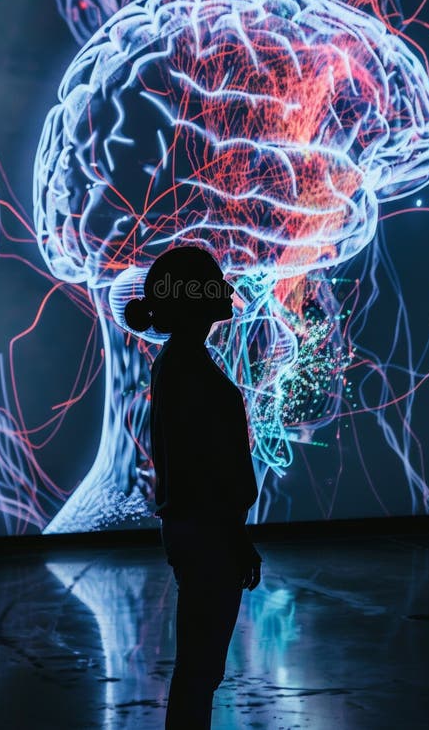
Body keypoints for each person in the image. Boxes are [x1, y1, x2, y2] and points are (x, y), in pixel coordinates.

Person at [124, 245, 262, 730]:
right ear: (193, 298)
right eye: (213, 282)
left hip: (200, 530)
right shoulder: (187, 370)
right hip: (206, 534)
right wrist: (232, 533)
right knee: (200, 669)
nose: (227, 290)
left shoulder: (177, 363)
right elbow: (201, 465)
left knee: (200, 669)